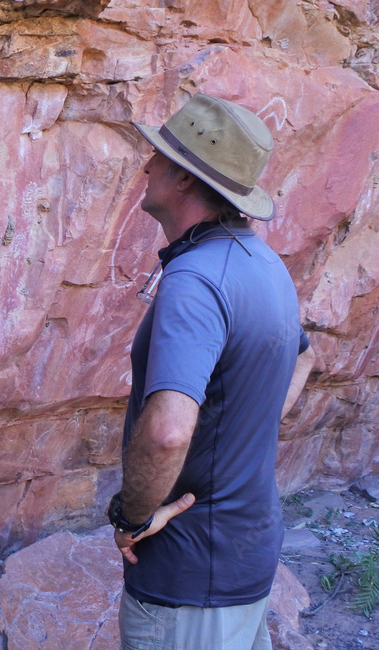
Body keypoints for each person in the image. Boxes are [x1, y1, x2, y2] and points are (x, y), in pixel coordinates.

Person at [108, 93, 316, 649]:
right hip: (247, 554)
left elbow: (167, 432)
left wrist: (131, 517)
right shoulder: (262, 263)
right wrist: (242, 432)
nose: (146, 166)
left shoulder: (195, 280)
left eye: (158, 156)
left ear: (182, 178)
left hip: (188, 575)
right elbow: (305, 357)